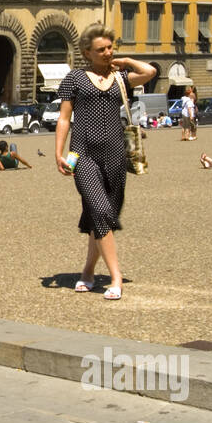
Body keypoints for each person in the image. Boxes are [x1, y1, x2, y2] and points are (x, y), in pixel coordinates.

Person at [54, 25, 157, 300]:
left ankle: (88, 271)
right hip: (82, 153)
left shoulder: (120, 77)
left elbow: (150, 72)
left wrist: (125, 62)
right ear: (87, 52)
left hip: (115, 154)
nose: (107, 53)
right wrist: (58, 153)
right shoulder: (74, 78)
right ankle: (116, 276)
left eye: (110, 47)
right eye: (101, 49)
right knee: (99, 210)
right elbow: (64, 118)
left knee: (101, 217)